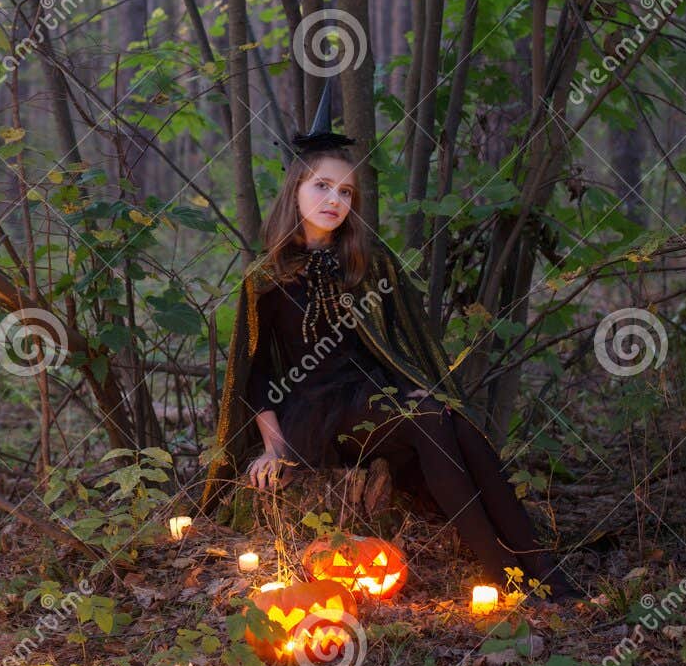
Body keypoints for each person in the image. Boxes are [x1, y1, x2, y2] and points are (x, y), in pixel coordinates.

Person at [200, 83, 581, 601]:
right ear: (295, 190)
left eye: (345, 192)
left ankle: (543, 573)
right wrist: (274, 447)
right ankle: (503, 575)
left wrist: (414, 390)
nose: (334, 200)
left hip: (374, 397)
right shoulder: (267, 277)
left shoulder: (366, 264)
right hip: (315, 416)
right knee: (429, 418)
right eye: (322, 187)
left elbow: (401, 343)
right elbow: (258, 372)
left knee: (457, 425)